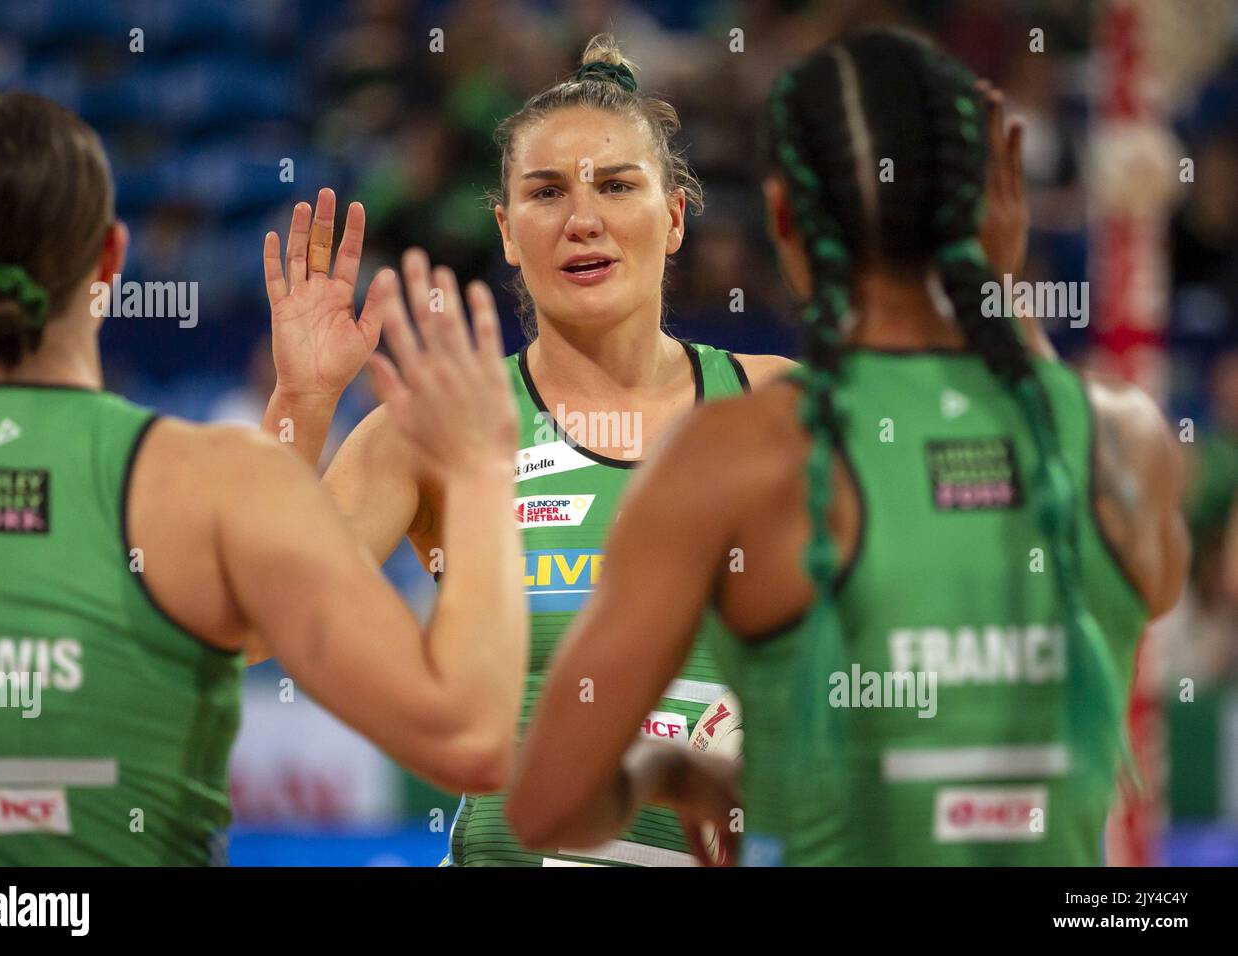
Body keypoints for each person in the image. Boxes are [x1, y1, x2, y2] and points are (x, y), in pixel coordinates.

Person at [506, 29, 1190, 866]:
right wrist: (999, 296)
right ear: (994, 200)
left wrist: (671, 771)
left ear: (785, 217)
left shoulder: (743, 451)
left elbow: (545, 807)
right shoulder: (1127, 439)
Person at [0, 91, 526, 865]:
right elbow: (471, 738)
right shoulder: (203, 484)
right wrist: (483, 474)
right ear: (112, 259)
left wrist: (302, 404)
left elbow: (239, 617)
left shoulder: (221, 485)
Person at [260, 35, 797, 866]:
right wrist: (301, 403)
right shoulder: (437, 423)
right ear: (508, 232)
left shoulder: (778, 411)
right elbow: (257, 631)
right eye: (547, 193)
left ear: (677, 215)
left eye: (618, 186)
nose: (583, 220)